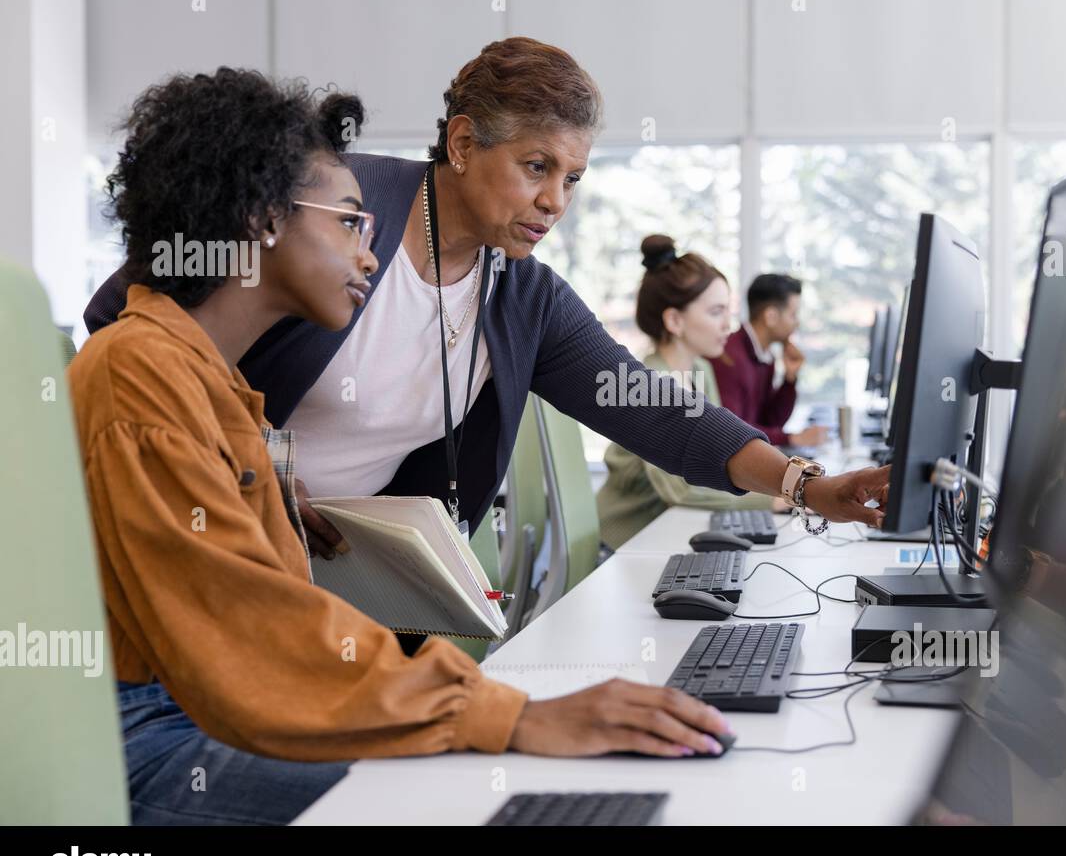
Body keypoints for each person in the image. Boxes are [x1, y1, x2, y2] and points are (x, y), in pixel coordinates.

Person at [69, 68, 733, 826]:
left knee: (487, 772)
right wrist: (505, 715)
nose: (372, 253)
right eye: (351, 221)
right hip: (149, 734)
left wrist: (496, 712)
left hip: (213, 705)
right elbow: (252, 634)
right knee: (454, 795)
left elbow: (271, 636)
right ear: (262, 219)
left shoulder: (215, 387)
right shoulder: (140, 373)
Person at [84, 38, 889, 572]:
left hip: (353, 583)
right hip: (212, 546)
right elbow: (122, 309)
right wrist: (251, 458)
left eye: (572, 178)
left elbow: (658, 412)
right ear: (464, 145)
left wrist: (802, 483)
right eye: (536, 165)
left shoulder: (523, 297)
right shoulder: (336, 203)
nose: (554, 200)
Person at [597, 235, 784, 548]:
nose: (729, 325)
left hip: (661, 533)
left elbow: (716, 457)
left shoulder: (700, 372)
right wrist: (771, 498)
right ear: (674, 320)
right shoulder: (649, 385)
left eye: (729, 311)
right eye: (716, 312)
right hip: (620, 544)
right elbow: (680, 491)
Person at [710, 272, 827, 447]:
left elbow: (771, 422)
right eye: (793, 315)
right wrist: (792, 439)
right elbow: (732, 431)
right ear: (770, 316)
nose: (797, 323)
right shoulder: (728, 358)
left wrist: (789, 380)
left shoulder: (765, 357)